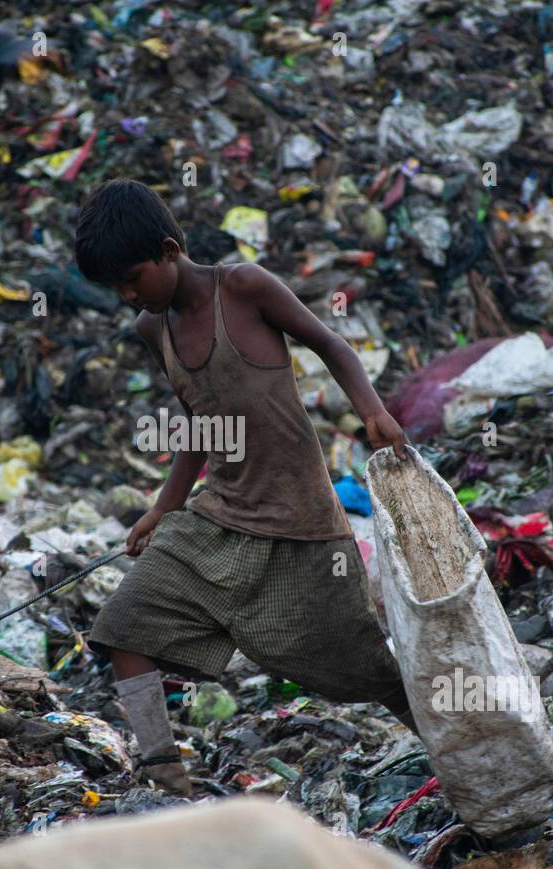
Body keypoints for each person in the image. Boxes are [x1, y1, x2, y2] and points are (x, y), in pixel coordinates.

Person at [74, 179, 415, 795]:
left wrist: (372, 412)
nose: (128, 297)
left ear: (171, 249)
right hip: (221, 514)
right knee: (121, 626)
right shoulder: (155, 330)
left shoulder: (245, 287)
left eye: (133, 278)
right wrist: (163, 509)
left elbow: (331, 344)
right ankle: (165, 778)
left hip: (301, 522)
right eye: (116, 289)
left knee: (368, 670)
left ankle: (463, 751)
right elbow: (198, 424)